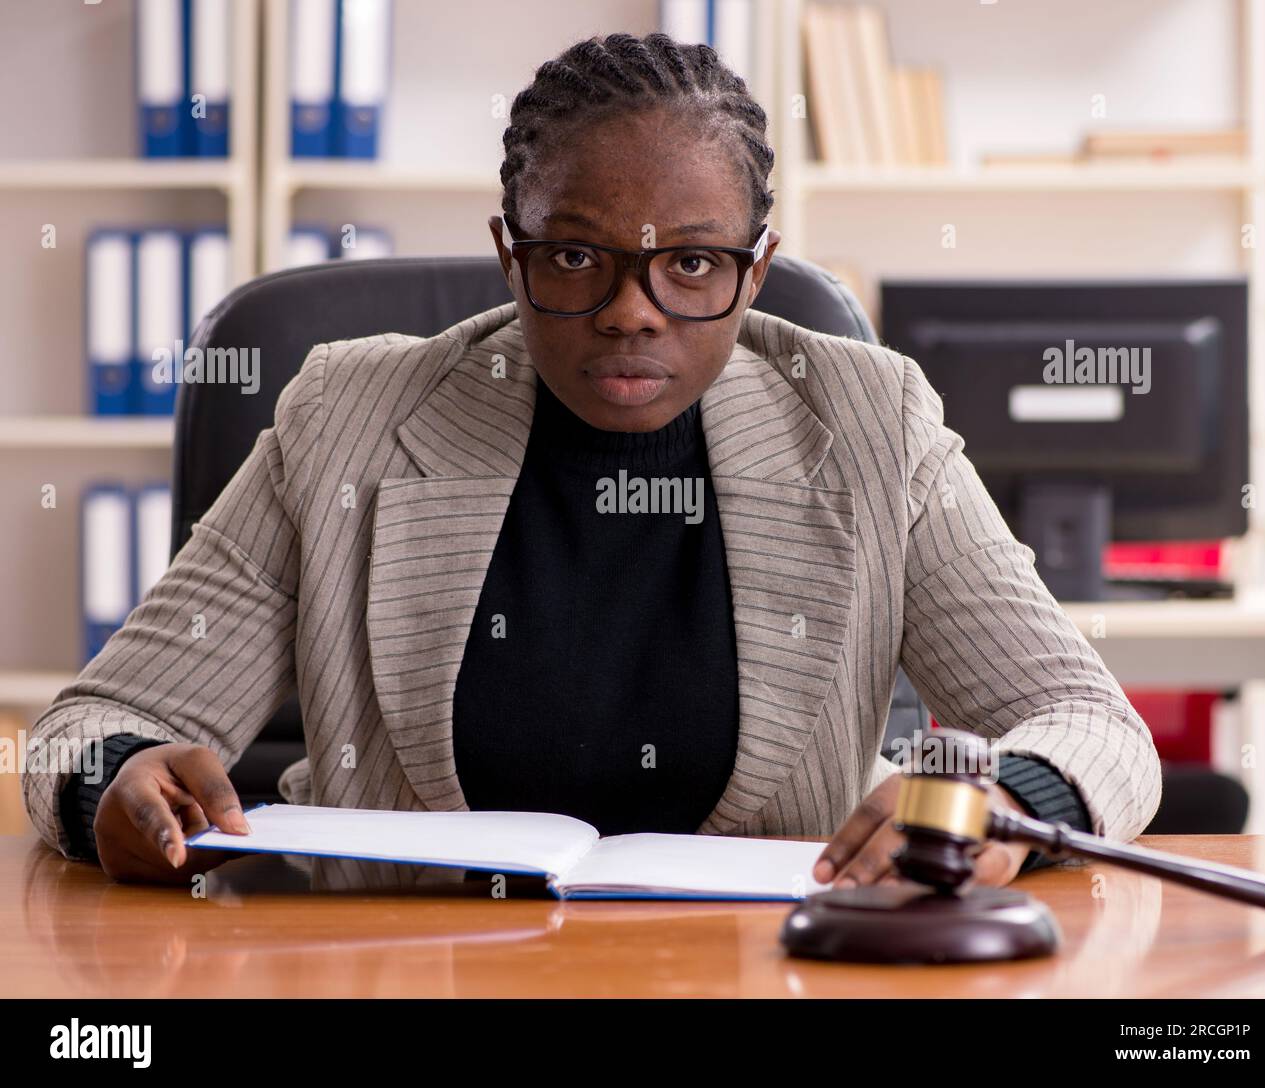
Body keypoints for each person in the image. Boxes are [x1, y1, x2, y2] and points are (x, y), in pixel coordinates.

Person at [22, 32, 1160, 887]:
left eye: (694, 266)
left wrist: (1001, 799)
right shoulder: (348, 419)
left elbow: (1091, 722)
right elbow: (89, 721)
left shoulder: (871, 422)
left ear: (754, 271)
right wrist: (105, 782)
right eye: (575, 255)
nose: (632, 312)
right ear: (508, 254)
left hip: (761, 973)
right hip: (395, 970)